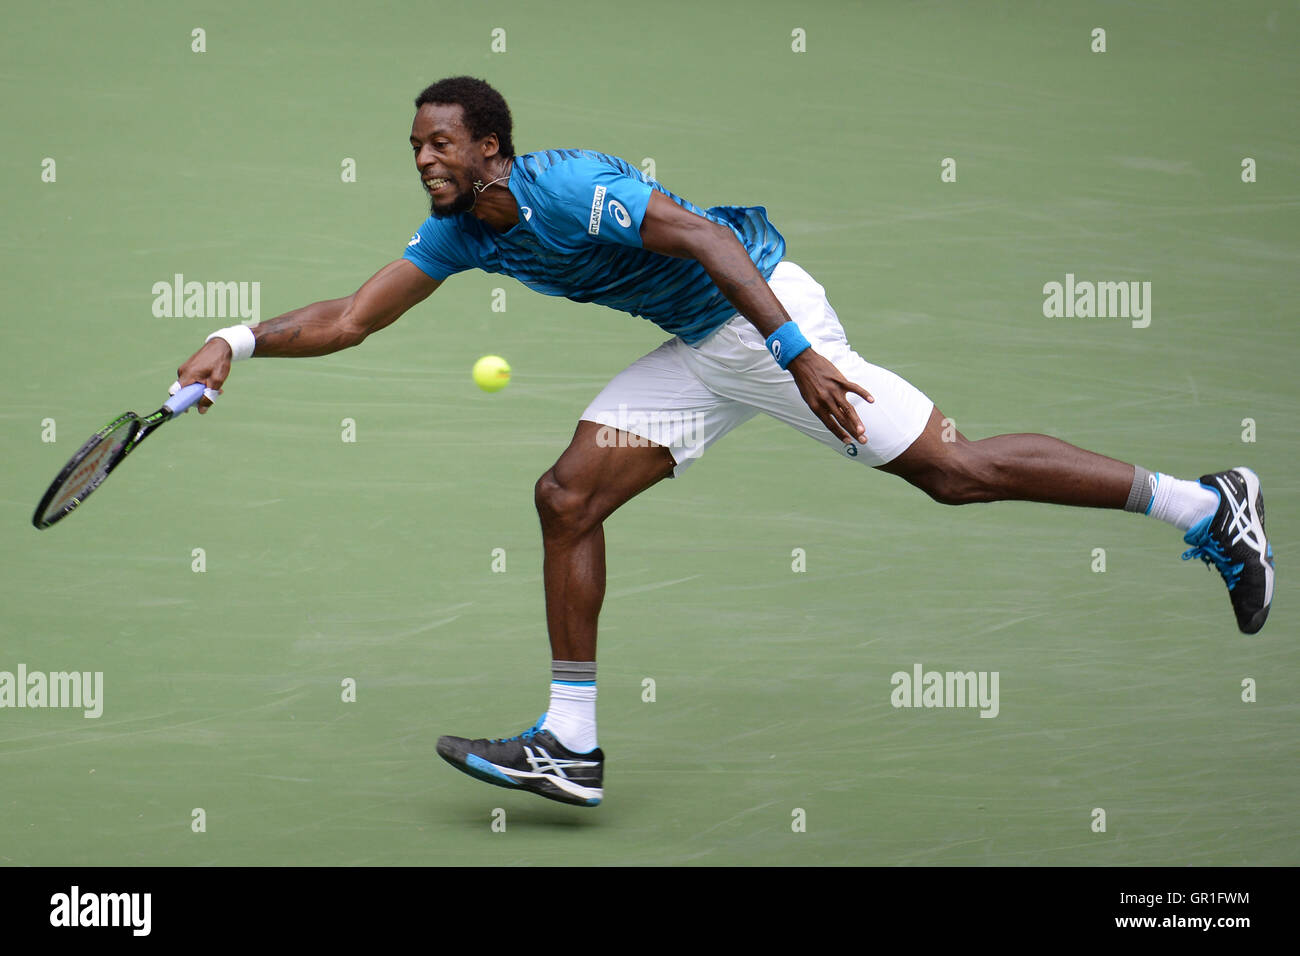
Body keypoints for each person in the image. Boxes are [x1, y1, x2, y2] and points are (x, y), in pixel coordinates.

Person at [175, 76, 1274, 808]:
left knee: (955, 468)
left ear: (492, 148)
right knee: (568, 497)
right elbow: (353, 317)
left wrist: (795, 350)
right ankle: (571, 742)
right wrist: (238, 337)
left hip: (756, 321)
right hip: (699, 346)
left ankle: (1204, 502)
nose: (424, 158)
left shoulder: (571, 189)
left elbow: (700, 236)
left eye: (441, 142)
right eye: (415, 144)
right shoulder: (461, 232)